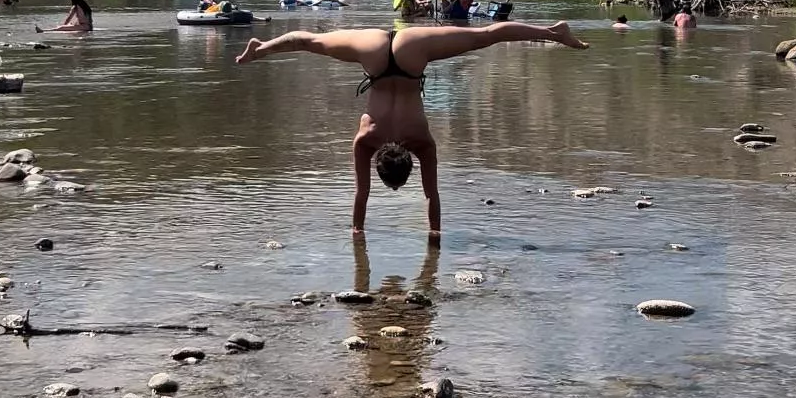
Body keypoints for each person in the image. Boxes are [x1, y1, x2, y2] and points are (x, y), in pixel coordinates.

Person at [237, 17, 588, 238]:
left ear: (407, 162)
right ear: (381, 161)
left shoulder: (422, 143)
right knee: (310, 43)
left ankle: (553, 33)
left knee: (484, 36)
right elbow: (362, 196)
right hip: (374, 55)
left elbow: (431, 196)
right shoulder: (366, 140)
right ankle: (261, 49)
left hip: (411, 56)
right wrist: (356, 229)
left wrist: (434, 232)